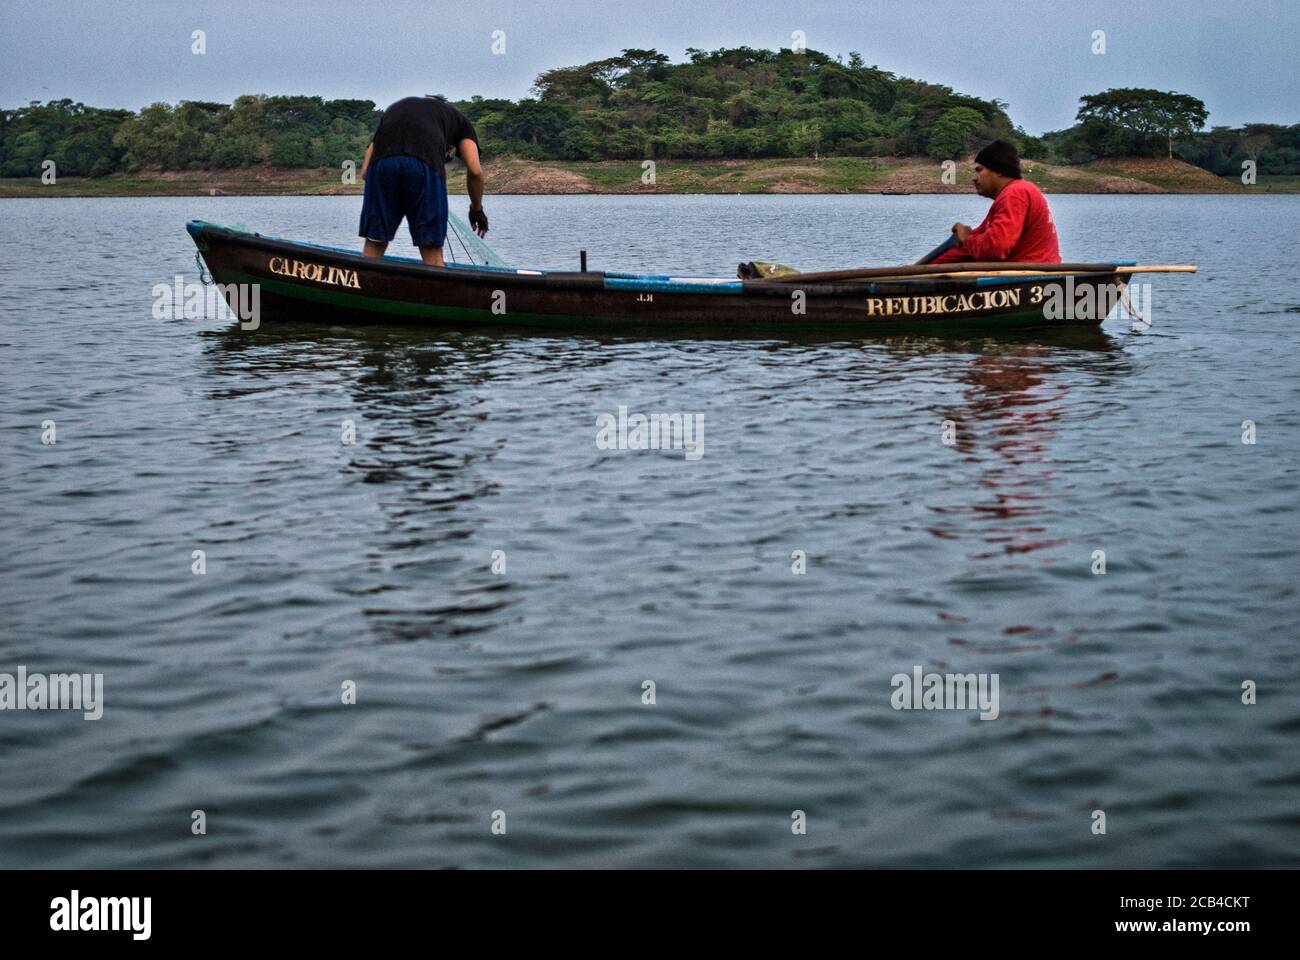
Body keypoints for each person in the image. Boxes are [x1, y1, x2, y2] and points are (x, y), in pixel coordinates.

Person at [358, 94, 488, 266]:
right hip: (424, 167)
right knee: (431, 247)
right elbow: (475, 170)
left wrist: (385, 197)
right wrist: (477, 210)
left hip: (381, 167)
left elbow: (365, 171)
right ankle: (438, 290)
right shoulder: (461, 122)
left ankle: (362, 287)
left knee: (375, 240)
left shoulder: (396, 108)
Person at [932, 140, 1060, 264]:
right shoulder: (1013, 193)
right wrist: (928, 267)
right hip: (1028, 275)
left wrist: (968, 239)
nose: (974, 178)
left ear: (999, 170)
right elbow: (969, 248)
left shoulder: (1014, 194)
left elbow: (997, 247)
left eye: (979, 170)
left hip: (1031, 278)